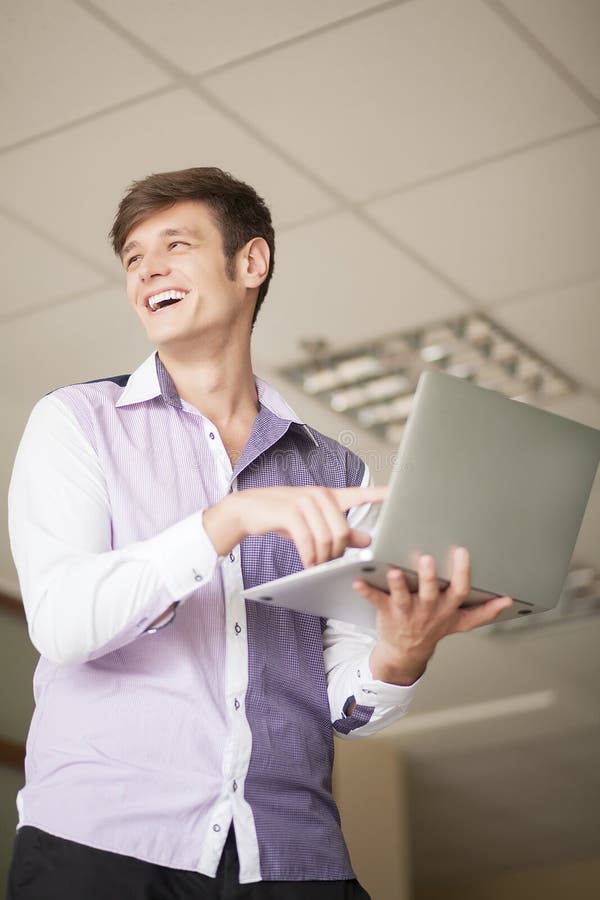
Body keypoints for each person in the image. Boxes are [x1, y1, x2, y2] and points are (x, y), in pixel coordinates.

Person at [7, 167, 512, 899]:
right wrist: (224, 522)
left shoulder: (335, 468)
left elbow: (345, 702)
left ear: (251, 263)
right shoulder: (75, 423)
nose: (148, 269)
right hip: (104, 850)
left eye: (174, 246)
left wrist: (401, 654)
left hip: (290, 858)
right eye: (134, 258)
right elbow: (62, 624)